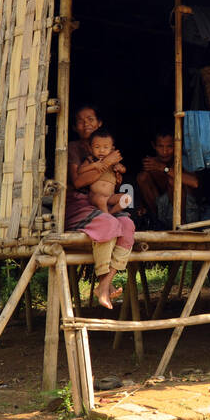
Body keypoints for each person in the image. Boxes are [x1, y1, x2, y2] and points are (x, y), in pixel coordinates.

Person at [65, 105, 135, 309]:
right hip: (80, 203)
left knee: (127, 225)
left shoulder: (109, 148)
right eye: (80, 120)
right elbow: (78, 182)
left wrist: (115, 172)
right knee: (108, 224)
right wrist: (105, 164)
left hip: (104, 200)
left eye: (90, 119)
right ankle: (105, 282)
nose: (86, 123)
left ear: (99, 123)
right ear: (74, 127)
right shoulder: (74, 148)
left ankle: (104, 284)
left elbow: (114, 177)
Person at [135, 128, 210, 229]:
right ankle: (158, 222)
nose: (165, 151)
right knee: (142, 177)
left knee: (173, 181)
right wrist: (141, 206)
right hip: (162, 212)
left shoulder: (183, 160)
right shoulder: (151, 163)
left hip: (189, 212)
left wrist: (164, 168)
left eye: (170, 146)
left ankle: (181, 225)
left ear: (177, 146)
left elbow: (195, 183)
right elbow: (142, 187)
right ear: (154, 146)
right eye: (160, 146)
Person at [84, 128, 132, 213]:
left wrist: (120, 168)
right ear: (90, 148)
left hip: (110, 196)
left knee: (127, 199)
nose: (101, 150)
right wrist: (93, 165)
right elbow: (81, 171)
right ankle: (107, 217)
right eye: (97, 147)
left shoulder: (113, 161)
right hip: (95, 195)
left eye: (106, 147)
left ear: (112, 149)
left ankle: (110, 214)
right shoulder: (91, 160)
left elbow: (124, 169)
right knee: (101, 200)